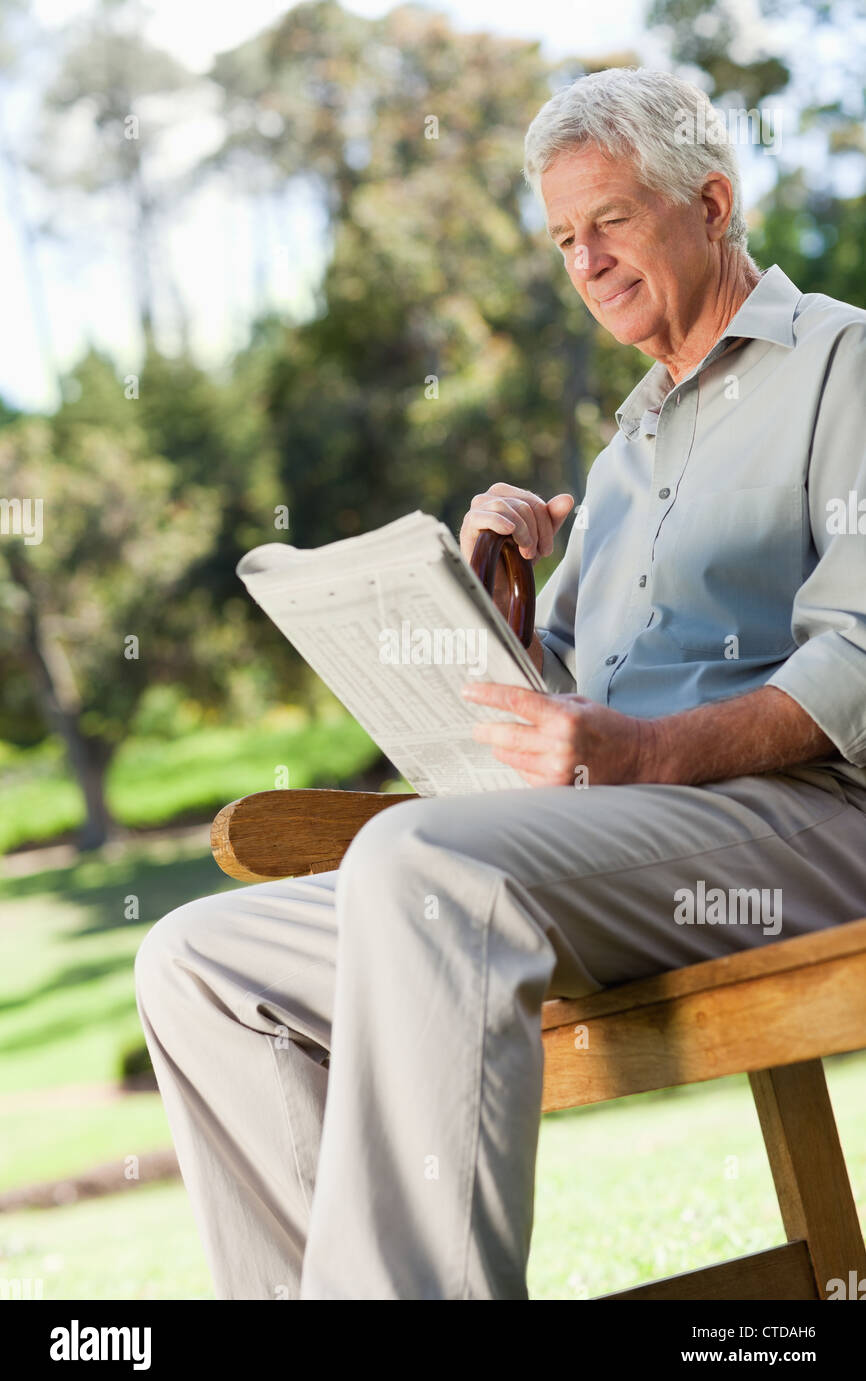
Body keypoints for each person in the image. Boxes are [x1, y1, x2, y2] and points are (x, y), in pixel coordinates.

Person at [134, 66, 866, 1300]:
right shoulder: (626, 448)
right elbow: (572, 705)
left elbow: (856, 660)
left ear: (710, 200)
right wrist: (501, 628)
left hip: (798, 829)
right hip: (616, 852)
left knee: (424, 868)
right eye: (563, 239)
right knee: (201, 963)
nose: (585, 263)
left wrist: (644, 754)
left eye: (610, 221)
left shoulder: (841, 363)